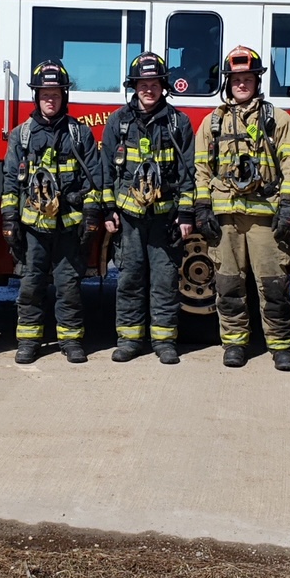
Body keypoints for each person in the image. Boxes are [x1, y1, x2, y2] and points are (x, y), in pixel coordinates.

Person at [193, 46, 290, 371]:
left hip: (265, 214)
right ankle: (234, 344)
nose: (242, 84)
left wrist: (289, 208)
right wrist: (202, 208)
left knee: (273, 284)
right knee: (228, 284)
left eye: (247, 78)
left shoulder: (277, 120)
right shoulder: (212, 122)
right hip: (225, 215)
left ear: (257, 81)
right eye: (236, 79)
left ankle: (281, 345)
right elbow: (201, 169)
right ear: (229, 83)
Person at [1, 60, 103, 364]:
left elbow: (93, 179)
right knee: (31, 285)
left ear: (64, 97)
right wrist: (9, 219)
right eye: (45, 94)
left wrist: (92, 217)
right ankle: (28, 342)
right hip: (33, 229)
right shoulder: (22, 135)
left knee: (68, 285)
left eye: (55, 95)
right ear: (36, 97)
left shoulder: (79, 134)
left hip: (68, 229)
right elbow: (9, 183)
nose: (50, 100)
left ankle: (70, 340)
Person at [101, 52, 195, 365]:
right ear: (134, 85)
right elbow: (105, 171)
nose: (149, 89)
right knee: (129, 278)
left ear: (162, 85)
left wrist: (185, 214)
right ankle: (129, 341)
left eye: (154, 83)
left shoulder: (178, 122)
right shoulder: (118, 122)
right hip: (128, 220)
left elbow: (188, 173)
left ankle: (164, 342)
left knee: (165, 280)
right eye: (143, 83)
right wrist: (107, 210)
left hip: (164, 220)